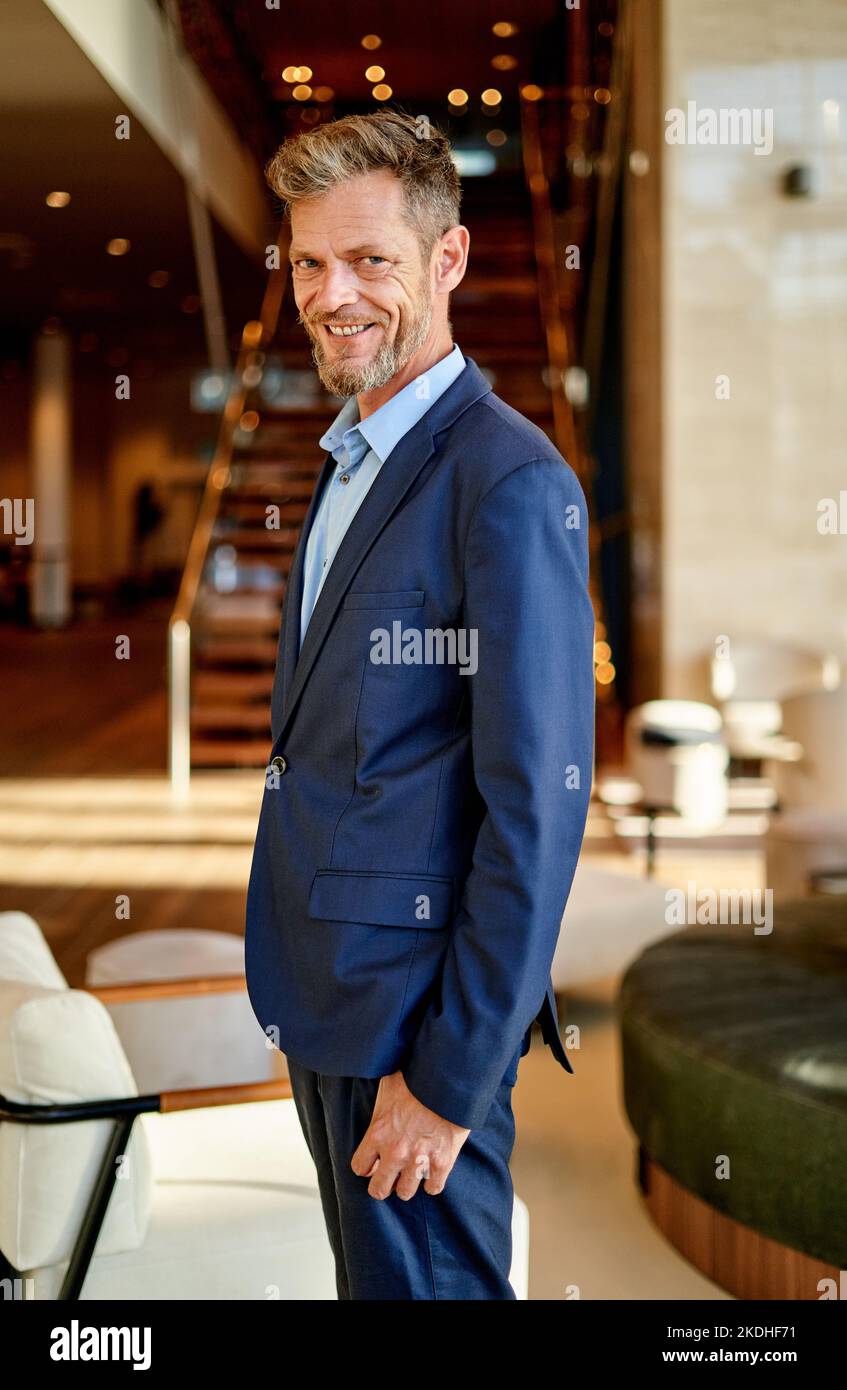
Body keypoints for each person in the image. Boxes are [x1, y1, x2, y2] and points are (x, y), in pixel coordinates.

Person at [245, 109, 595, 1300]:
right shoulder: (351, 461)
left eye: (369, 260)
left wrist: (448, 1080)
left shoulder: (505, 481)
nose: (330, 294)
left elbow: (536, 809)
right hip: (329, 1000)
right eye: (307, 263)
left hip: (418, 1030)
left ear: (445, 261)